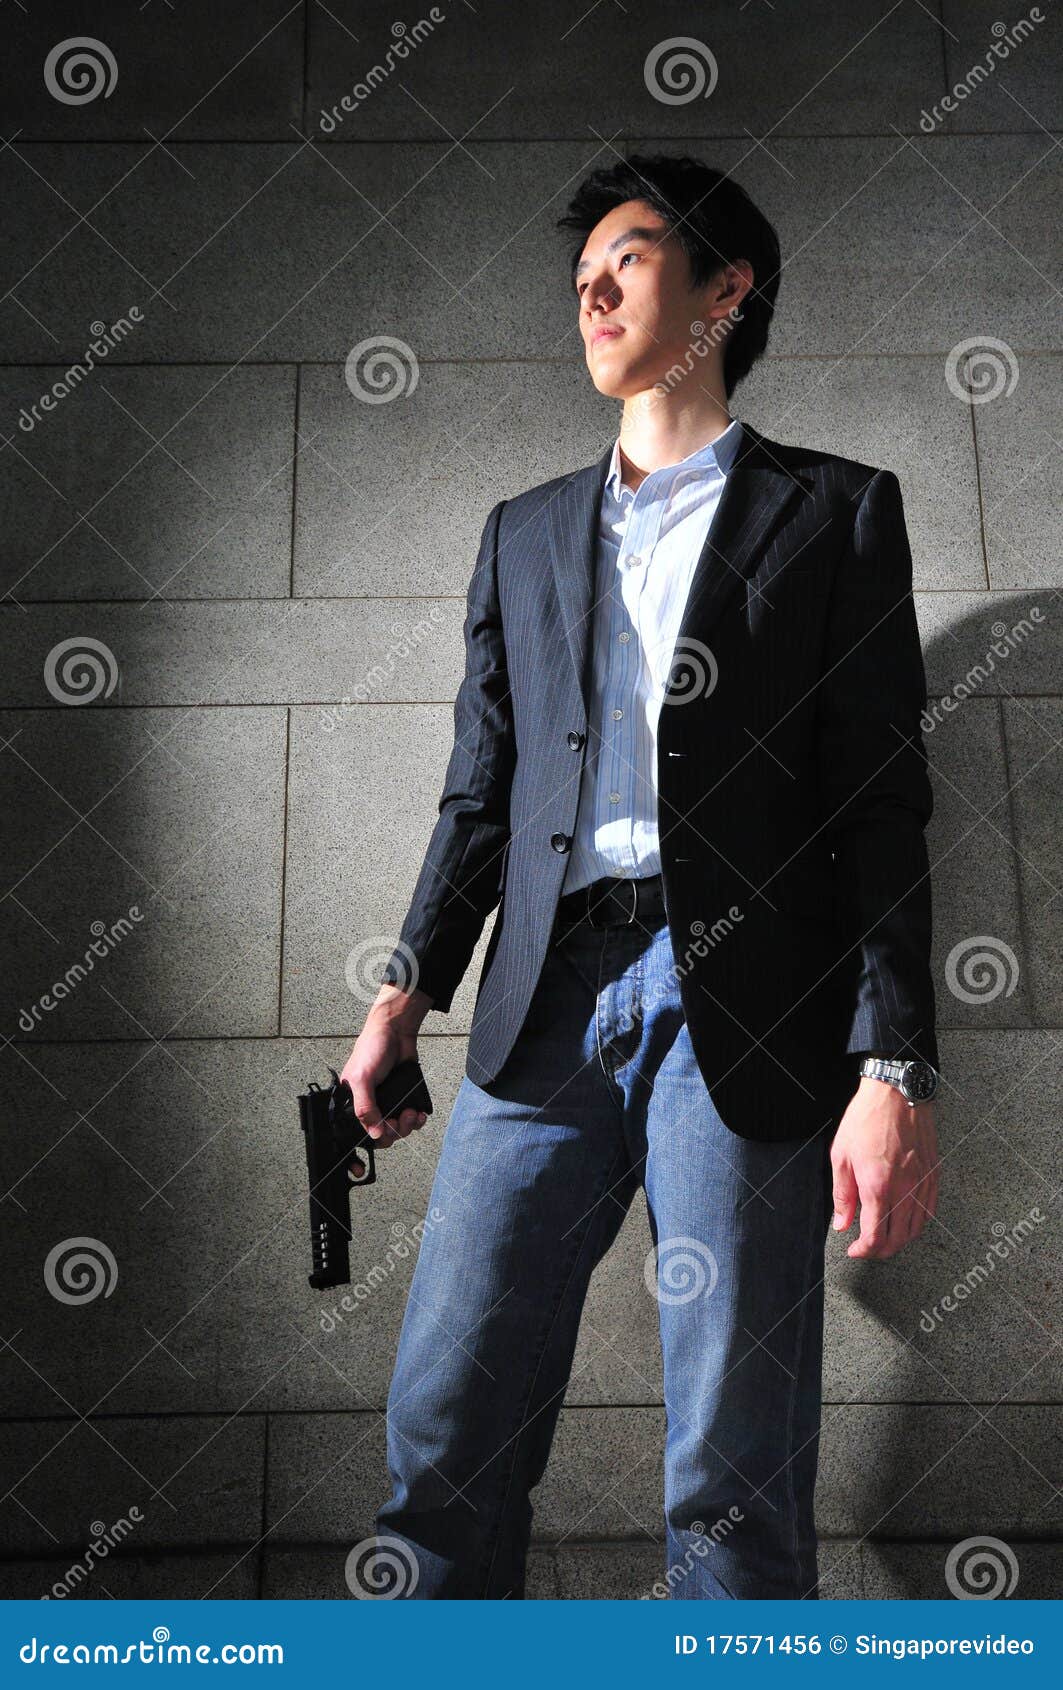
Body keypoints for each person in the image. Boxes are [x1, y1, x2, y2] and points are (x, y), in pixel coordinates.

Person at [341, 152, 940, 1600]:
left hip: (743, 999)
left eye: (629, 257)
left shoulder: (836, 512)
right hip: (542, 998)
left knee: (733, 1468)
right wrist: (402, 995)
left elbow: (881, 806)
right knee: (444, 1426)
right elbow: (480, 792)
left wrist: (896, 1066)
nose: (591, 291)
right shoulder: (524, 531)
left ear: (726, 291)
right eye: (580, 274)